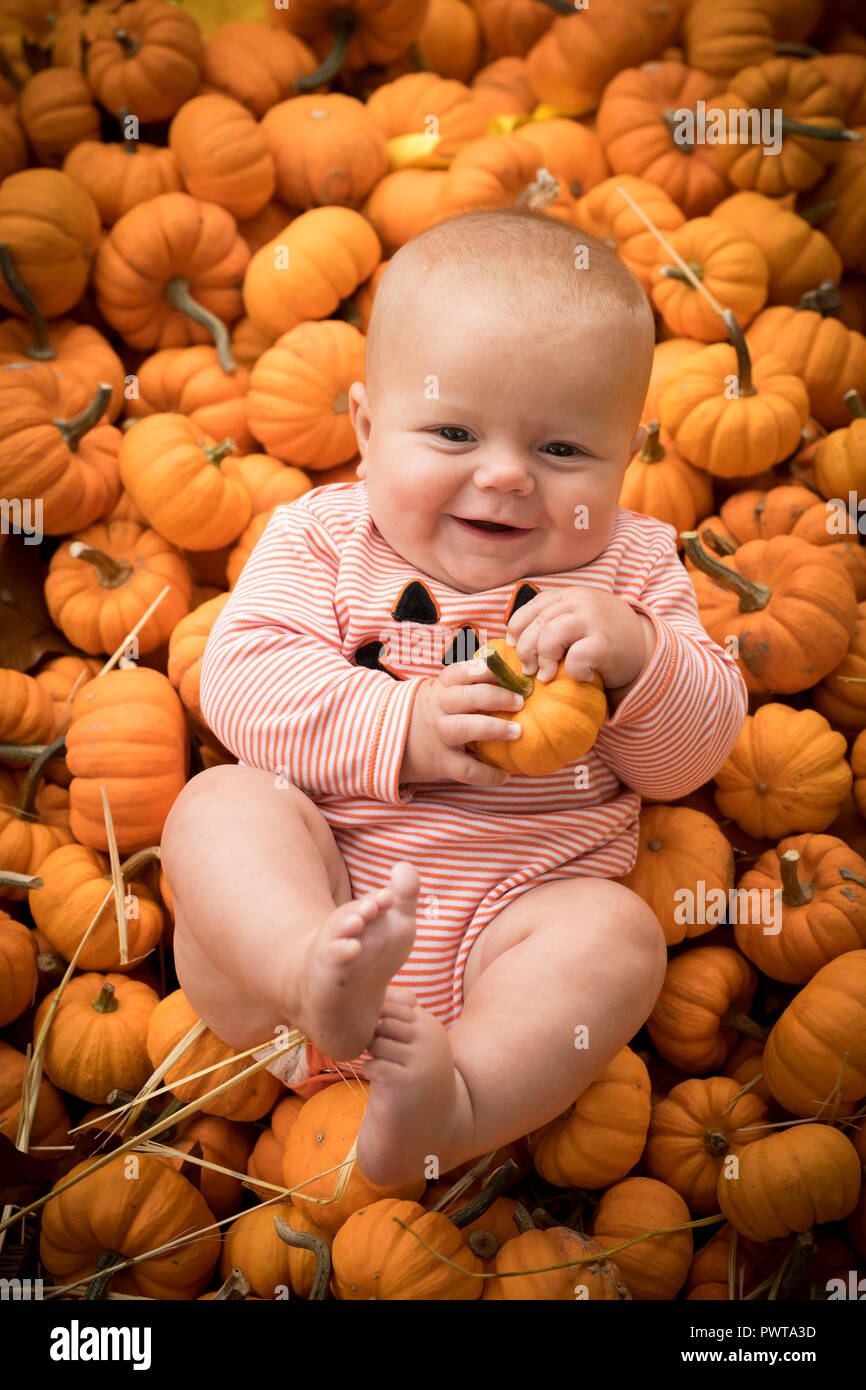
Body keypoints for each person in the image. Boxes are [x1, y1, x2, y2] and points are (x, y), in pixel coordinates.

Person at [161, 206, 748, 1188]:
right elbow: (240, 677)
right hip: (324, 901)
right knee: (217, 810)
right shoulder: (321, 537)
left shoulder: (635, 569)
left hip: (509, 941)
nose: (508, 474)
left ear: (629, 455)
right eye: (450, 430)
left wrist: (642, 658)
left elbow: (691, 757)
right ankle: (310, 969)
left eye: (562, 450)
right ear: (362, 428)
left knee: (617, 939)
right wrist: (403, 726)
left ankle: (455, 1102)